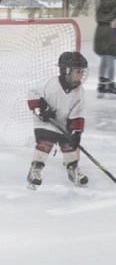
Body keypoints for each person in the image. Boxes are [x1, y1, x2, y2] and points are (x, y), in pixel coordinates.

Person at [25, 51, 89, 190]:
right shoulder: (49, 84)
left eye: (82, 71)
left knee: (69, 145)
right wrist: (40, 110)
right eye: (78, 71)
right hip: (45, 121)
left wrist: (76, 132)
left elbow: (78, 112)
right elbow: (33, 93)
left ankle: (72, 169)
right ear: (66, 71)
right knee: (45, 142)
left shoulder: (79, 91)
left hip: (64, 123)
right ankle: (35, 170)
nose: (81, 75)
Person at [94, 0, 116, 98]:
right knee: (110, 57)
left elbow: (97, 17)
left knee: (104, 57)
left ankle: (101, 84)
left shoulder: (100, 2)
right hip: (112, 31)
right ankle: (111, 84)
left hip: (100, 31)